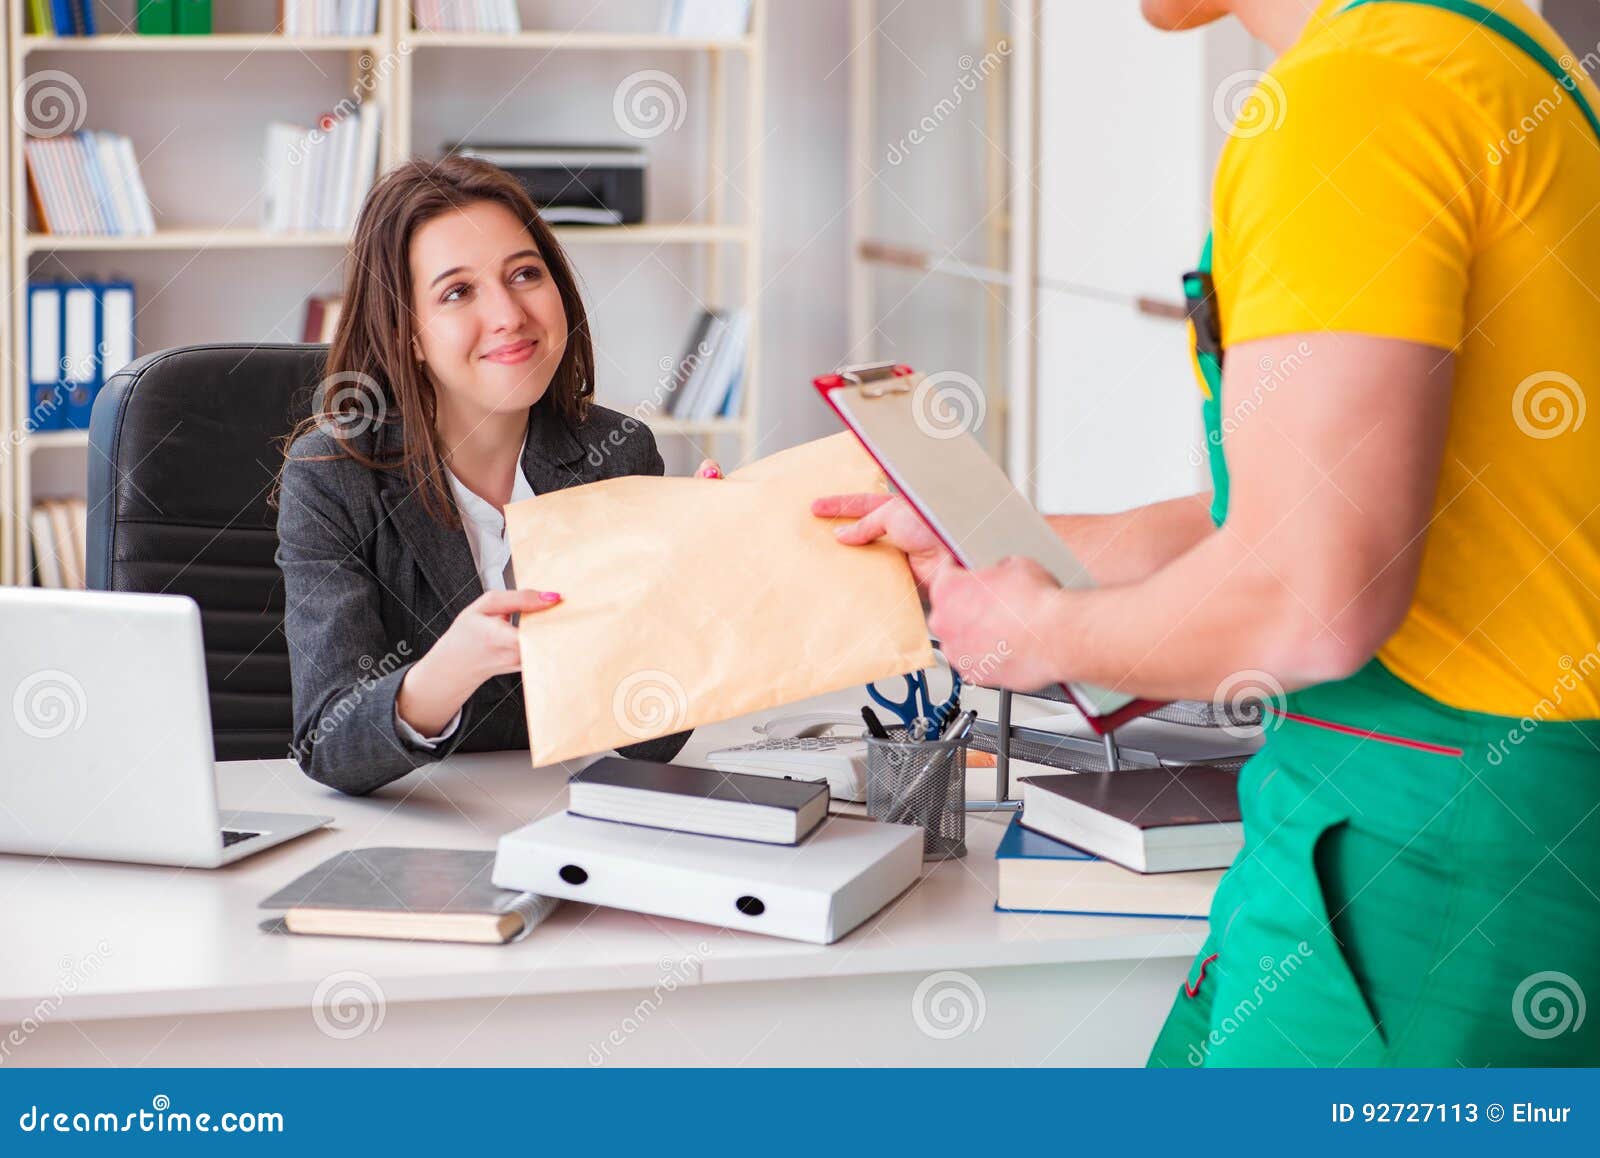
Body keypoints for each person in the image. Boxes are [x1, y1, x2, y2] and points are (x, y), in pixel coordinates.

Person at [818, 0, 1600, 1065]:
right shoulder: (1486, 51)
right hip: (1442, 822)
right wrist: (986, 544)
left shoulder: (1355, 97)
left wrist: (1041, 633)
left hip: (1427, 855)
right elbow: (1285, 520)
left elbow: (1308, 597)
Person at [276, 155, 719, 795]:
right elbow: (327, 742)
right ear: (408, 335)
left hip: (572, 818)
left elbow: (651, 741)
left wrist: (686, 591)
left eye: (525, 274)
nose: (509, 314)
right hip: (419, 824)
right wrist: (449, 672)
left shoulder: (618, 454)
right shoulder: (332, 476)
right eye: (458, 292)